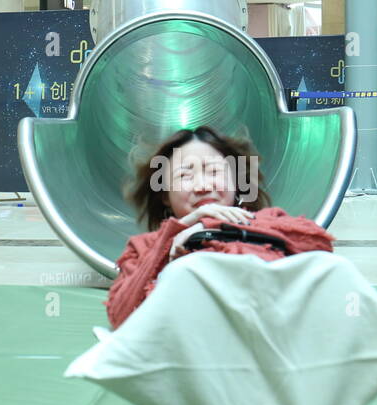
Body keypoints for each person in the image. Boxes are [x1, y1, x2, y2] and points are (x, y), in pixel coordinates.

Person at [105, 125, 335, 329]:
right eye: (185, 175)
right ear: (165, 195)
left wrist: (218, 229)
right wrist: (171, 244)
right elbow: (120, 317)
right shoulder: (143, 249)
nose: (203, 186)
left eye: (214, 172)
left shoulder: (270, 223)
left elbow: (321, 251)